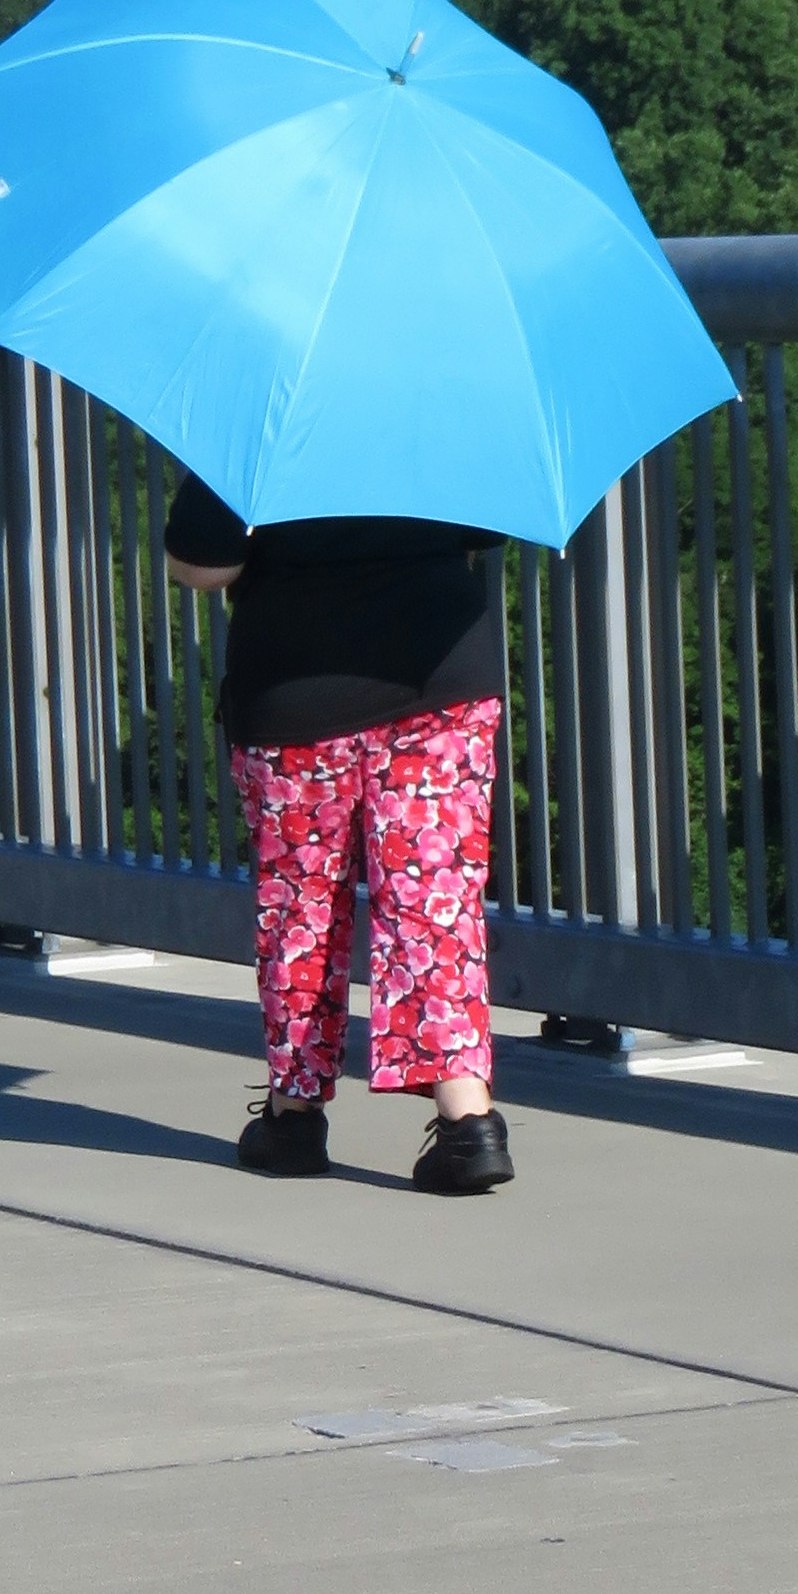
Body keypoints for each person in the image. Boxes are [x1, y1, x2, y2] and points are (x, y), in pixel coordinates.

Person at [162, 468, 514, 1194]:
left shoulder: (263, 404)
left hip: (299, 690)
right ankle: (467, 1119)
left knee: (301, 906)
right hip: (438, 683)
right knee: (433, 897)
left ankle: (293, 1118)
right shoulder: (446, 390)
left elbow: (204, 564)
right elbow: (489, 523)